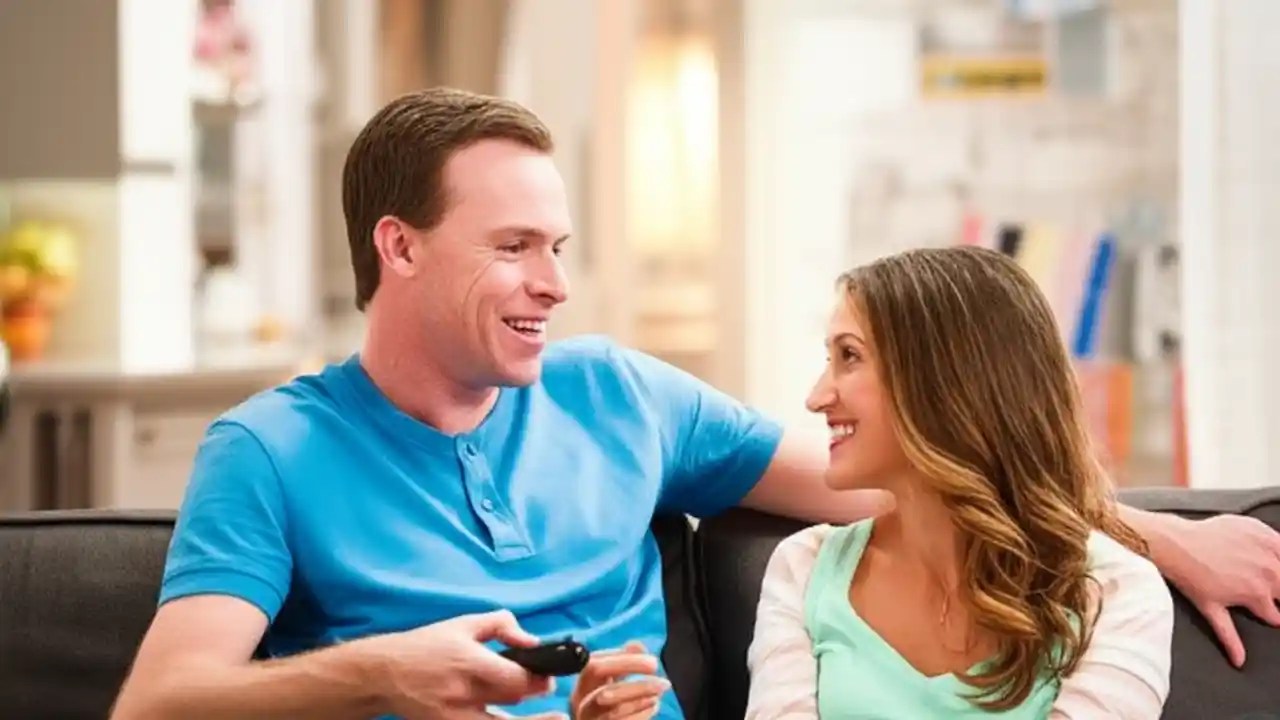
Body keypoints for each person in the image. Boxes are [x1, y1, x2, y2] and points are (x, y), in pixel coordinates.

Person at [110, 88, 1280, 720]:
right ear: (397, 247)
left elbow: (922, 463)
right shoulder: (266, 450)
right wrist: (379, 672)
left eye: (558, 245)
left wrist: (1151, 533)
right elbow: (162, 702)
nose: (554, 285)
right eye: (513, 246)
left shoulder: (614, 393)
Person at [745, 247, 1167, 718]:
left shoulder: (1116, 592)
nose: (817, 397)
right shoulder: (803, 570)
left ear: (943, 380)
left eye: (849, 356)